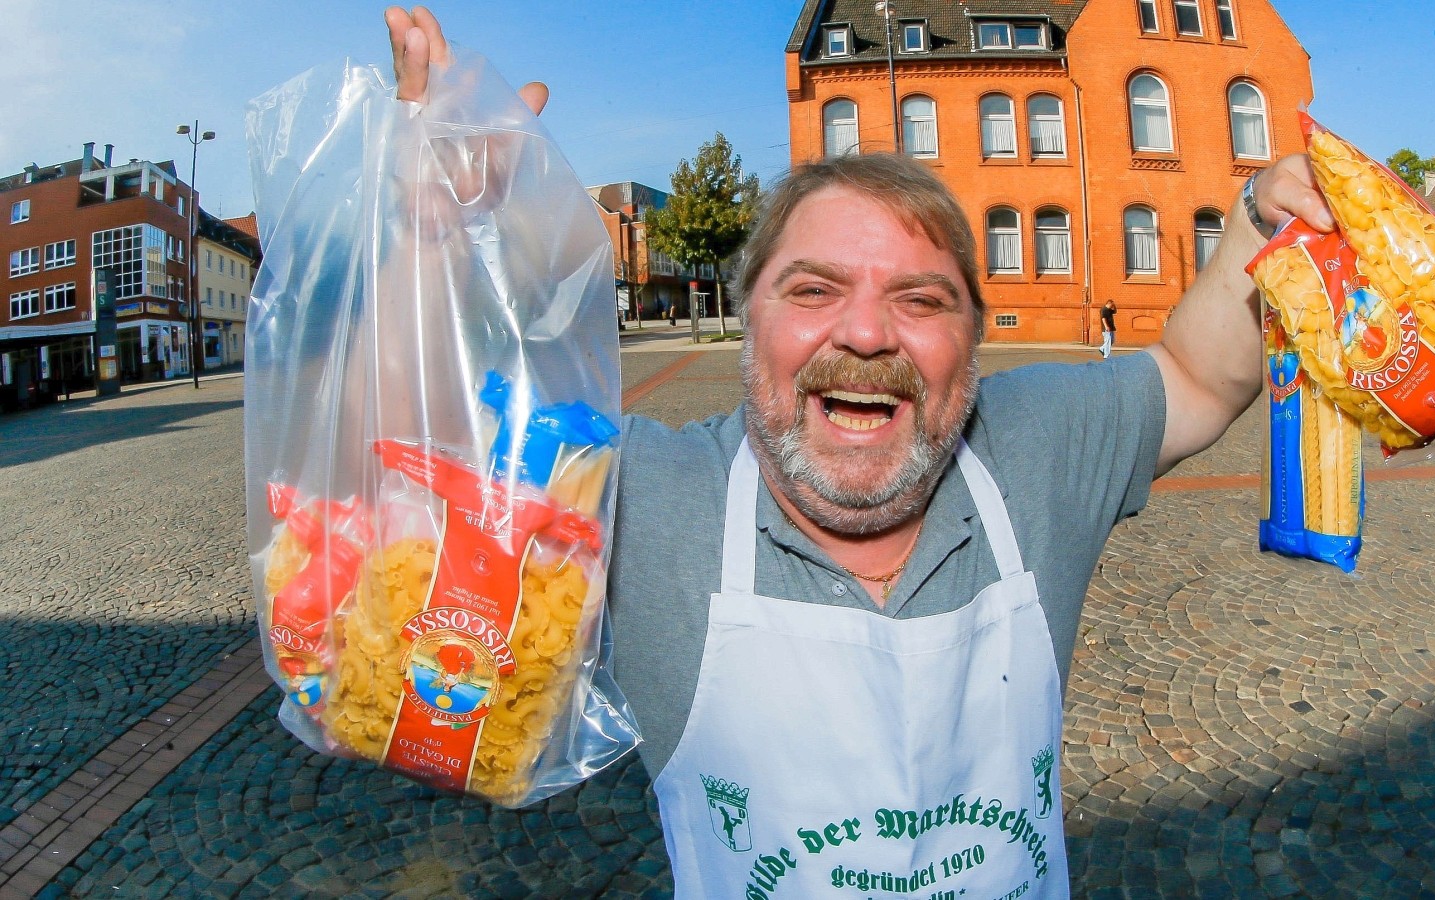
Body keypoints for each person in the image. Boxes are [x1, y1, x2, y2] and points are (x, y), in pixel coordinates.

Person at [384, 8, 1334, 895]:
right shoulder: (648, 497)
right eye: (813, 291)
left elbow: (1197, 377)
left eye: (921, 299)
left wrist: (1261, 215)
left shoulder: (1035, 446)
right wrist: (425, 237)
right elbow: (417, 445)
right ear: (749, 321)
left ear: (973, 338)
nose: (868, 334)